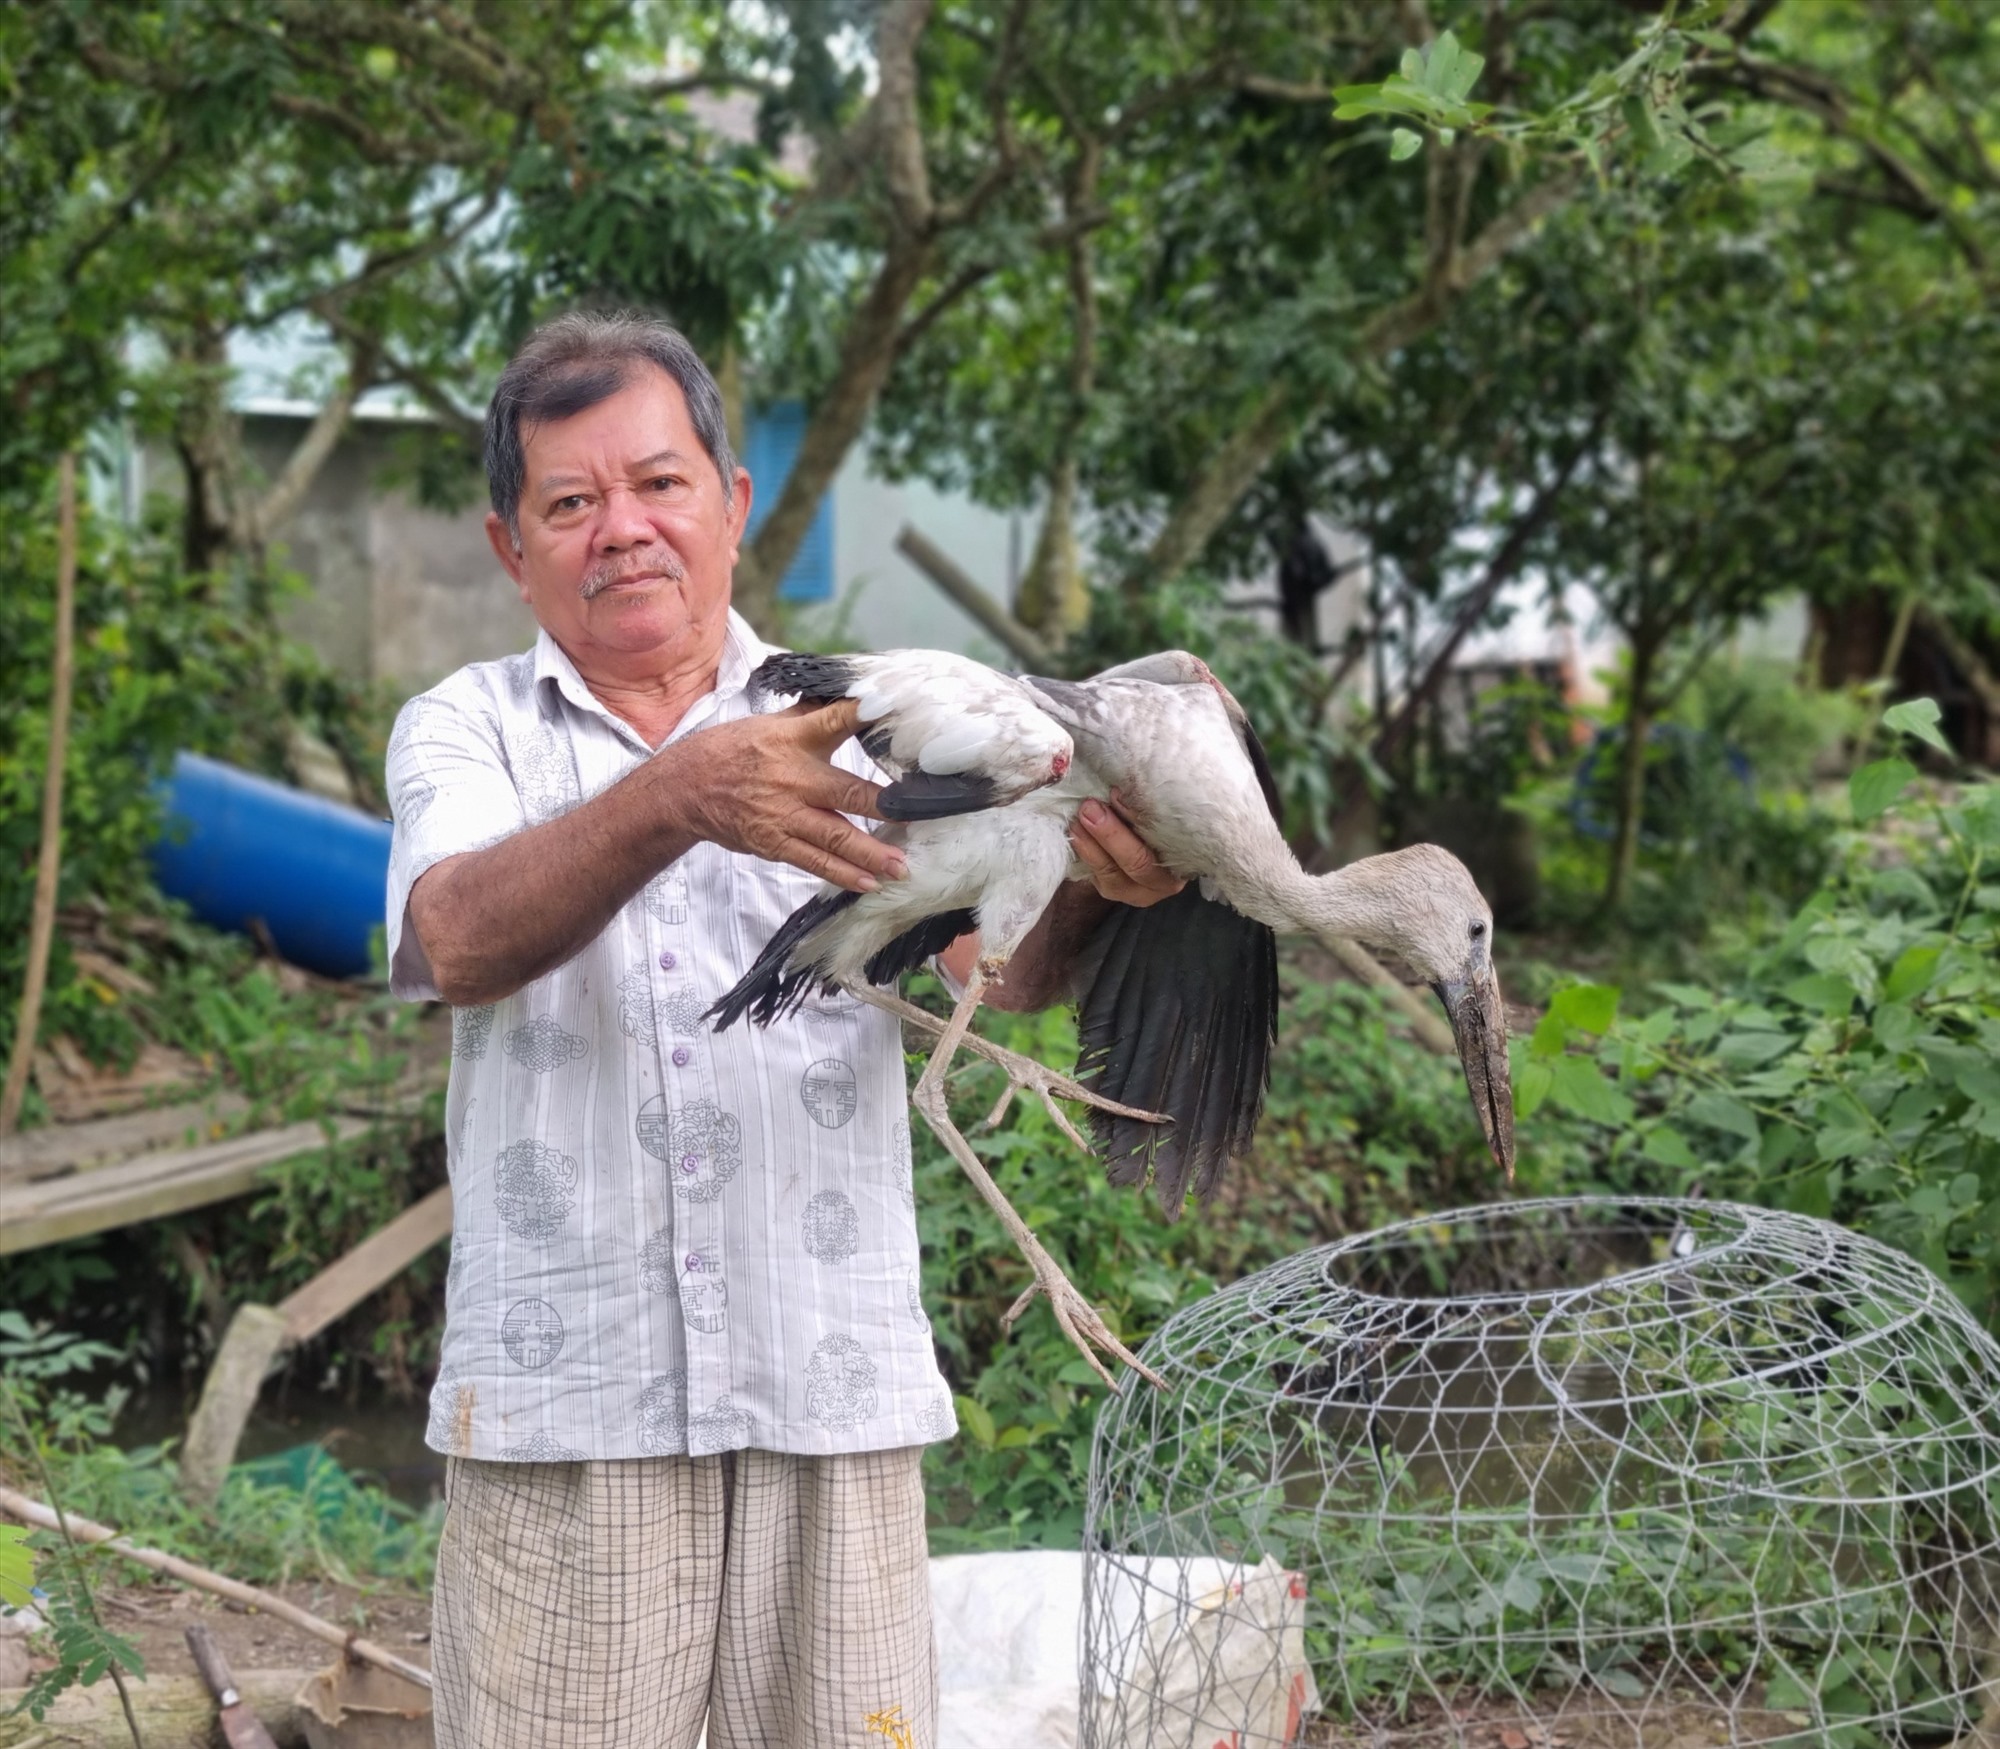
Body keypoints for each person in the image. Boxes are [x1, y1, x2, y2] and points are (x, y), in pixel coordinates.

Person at [385, 310, 1182, 1749]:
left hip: (838, 1392)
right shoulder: (466, 729)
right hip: (569, 1411)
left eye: (659, 483)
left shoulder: (885, 702)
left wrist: (1104, 876)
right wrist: (678, 792)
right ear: (514, 546)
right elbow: (452, 940)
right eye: (571, 503)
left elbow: (997, 961)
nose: (622, 529)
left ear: (732, 503)